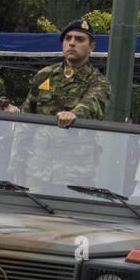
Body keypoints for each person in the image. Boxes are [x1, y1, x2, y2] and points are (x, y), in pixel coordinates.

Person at [12, 18, 111, 190]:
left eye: (79, 39)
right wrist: (16, 165)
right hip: (37, 170)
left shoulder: (98, 81)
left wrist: (74, 114)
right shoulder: (44, 76)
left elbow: (93, 103)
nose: (72, 43)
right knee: (29, 216)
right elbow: (26, 122)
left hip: (76, 174)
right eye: (68, 39)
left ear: (91, 47)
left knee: (69, 216)